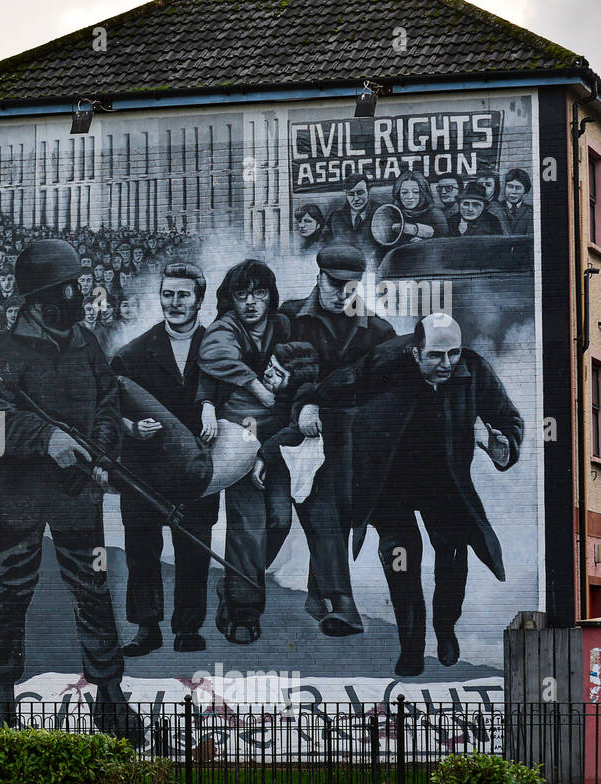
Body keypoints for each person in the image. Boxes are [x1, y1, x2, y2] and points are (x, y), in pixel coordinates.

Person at [0, 238, 140, 739]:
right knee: (10, 592)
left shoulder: (87, 343)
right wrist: (47, 437)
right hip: (19, 500)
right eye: (71, 287)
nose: (80, 294)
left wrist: (104, 456)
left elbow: (109, 402)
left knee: (92, 590)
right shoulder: (1, 351)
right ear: (45, 295)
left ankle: (110, 698)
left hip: (76, 495)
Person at [296, 313, 523, 676]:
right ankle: (412, 646)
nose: (446, 364)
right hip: (391, 483)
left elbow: (509, 418)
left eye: (453, 354)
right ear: (415, 353)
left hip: (444, 483)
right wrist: (309, 403)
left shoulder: (473, 369)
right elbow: (342, 382)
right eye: (435, 355)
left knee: (452, 559)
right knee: (401, 561)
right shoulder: (387, 360)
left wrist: (502, 445)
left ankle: (446, 628)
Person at [279, 244, 397, 635]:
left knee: (339, 512)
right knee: (323, 508)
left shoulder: (378, 330)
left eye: (351, 286)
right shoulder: (288, 319)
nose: (342, 293)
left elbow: (388, 392)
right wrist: (302, 407)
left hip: (352, 439)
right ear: (319, 276)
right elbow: (269, 376)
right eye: (335, 284)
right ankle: (343, 603)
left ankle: (318, 594)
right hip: (295, 434)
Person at [111, 262, 220, 655]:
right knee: (142, 552)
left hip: (196, 472)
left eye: (183, 295)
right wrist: (130, 428)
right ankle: (146, 629)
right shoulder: (132, 354)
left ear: (199, 300)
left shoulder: (218, 349)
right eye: (168, 294)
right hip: (144, 471)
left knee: (193, 551)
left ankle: (188, 628)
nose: (174, 303)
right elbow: (107, 410)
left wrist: (210, 407)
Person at [197, 259, 291, 645]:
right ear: (230, 299)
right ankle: (243, 612)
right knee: (248, 527)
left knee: (280, 521)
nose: (251, 302)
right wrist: (256, 386)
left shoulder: (283, 326)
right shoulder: (225, 328)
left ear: (270, 296)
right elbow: (213, 355)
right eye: (242, 294)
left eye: (259, 293)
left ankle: (236, 580)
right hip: (238, 437)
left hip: (276, 438)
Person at [387, 171, 448, 246]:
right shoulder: (393, 213)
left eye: (415, 192)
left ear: (423, 193)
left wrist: (426, 243)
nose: (410, 197)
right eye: (404, 192)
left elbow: (444, 244)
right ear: (398, 194)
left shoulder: (435, 215)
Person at [326, 174, 379, 257]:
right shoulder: (335, 217)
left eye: (360, 193)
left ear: (368, 191)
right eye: (351, 194)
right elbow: (323, 244)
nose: (356, 199)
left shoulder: (381, 211)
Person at [502, 168, 533, 235]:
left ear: (525, 191)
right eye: (510, 187)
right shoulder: (496, 208)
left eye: (518, 188)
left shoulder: (531, 212)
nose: (513, 192)